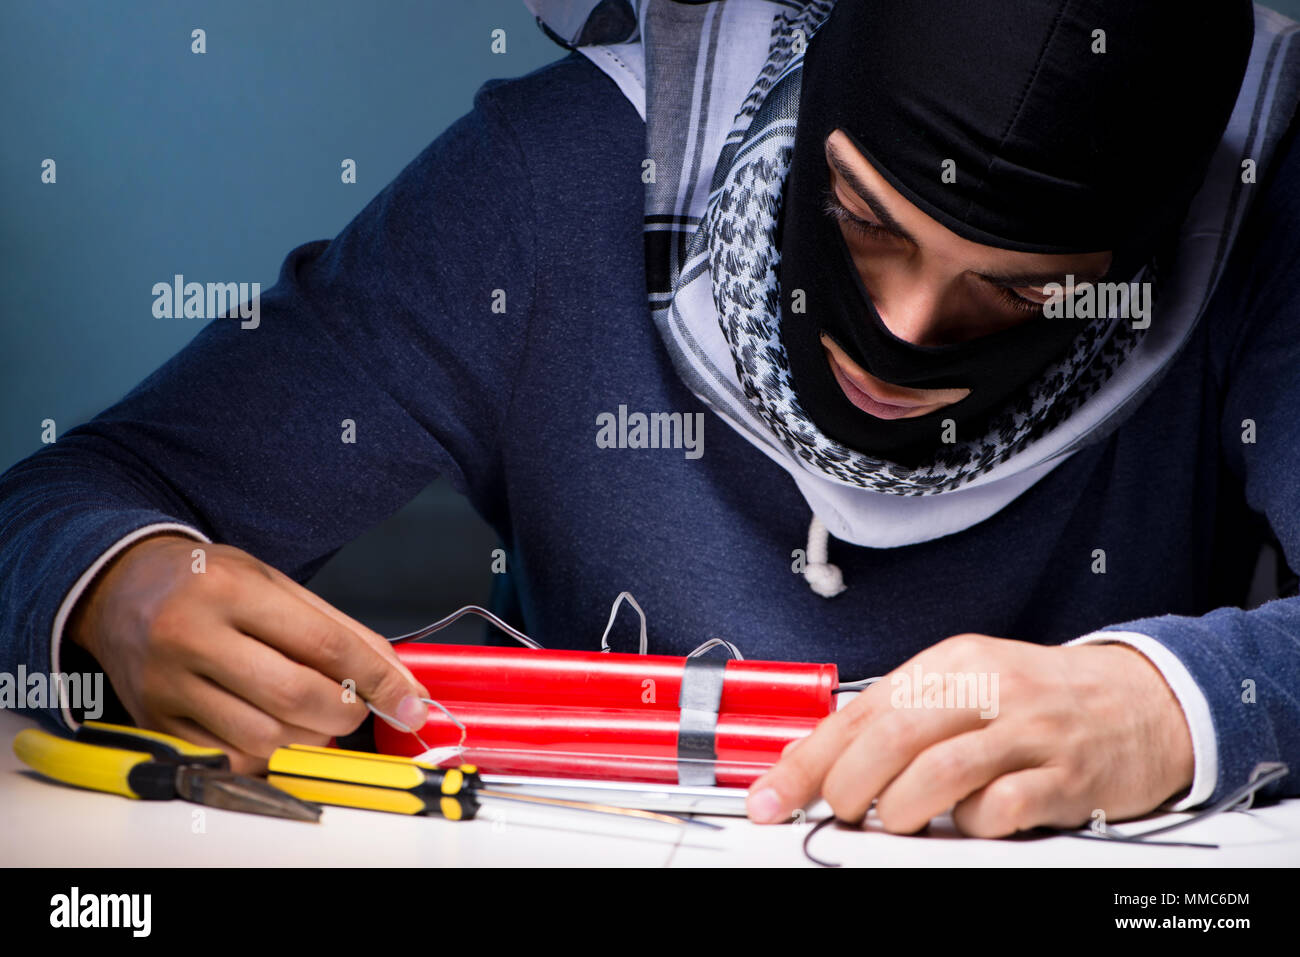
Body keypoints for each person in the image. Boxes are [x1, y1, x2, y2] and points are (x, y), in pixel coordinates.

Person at [2, 0, 1298, 837]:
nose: (902, 335)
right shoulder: (551, 182)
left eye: (1017, 295)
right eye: (859, 220)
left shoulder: (1262, 231)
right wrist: (117, 585)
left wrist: (1172, 708)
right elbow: (62, 499)